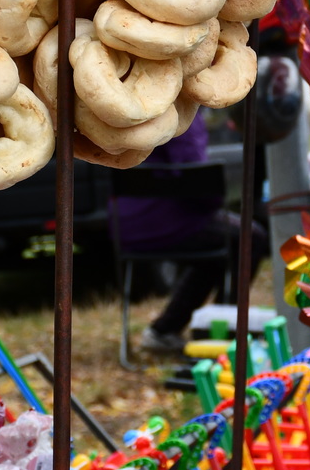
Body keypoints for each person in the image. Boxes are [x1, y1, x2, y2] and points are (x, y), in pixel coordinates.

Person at [115, 111, 270, 353]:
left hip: (127, 225)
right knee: (250, 237)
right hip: (169, 221)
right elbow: (198, 181)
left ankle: (164, 330)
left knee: (215, 253)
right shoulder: (182, 116)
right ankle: (221, 331)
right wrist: (215, 205)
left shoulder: (139, 110)